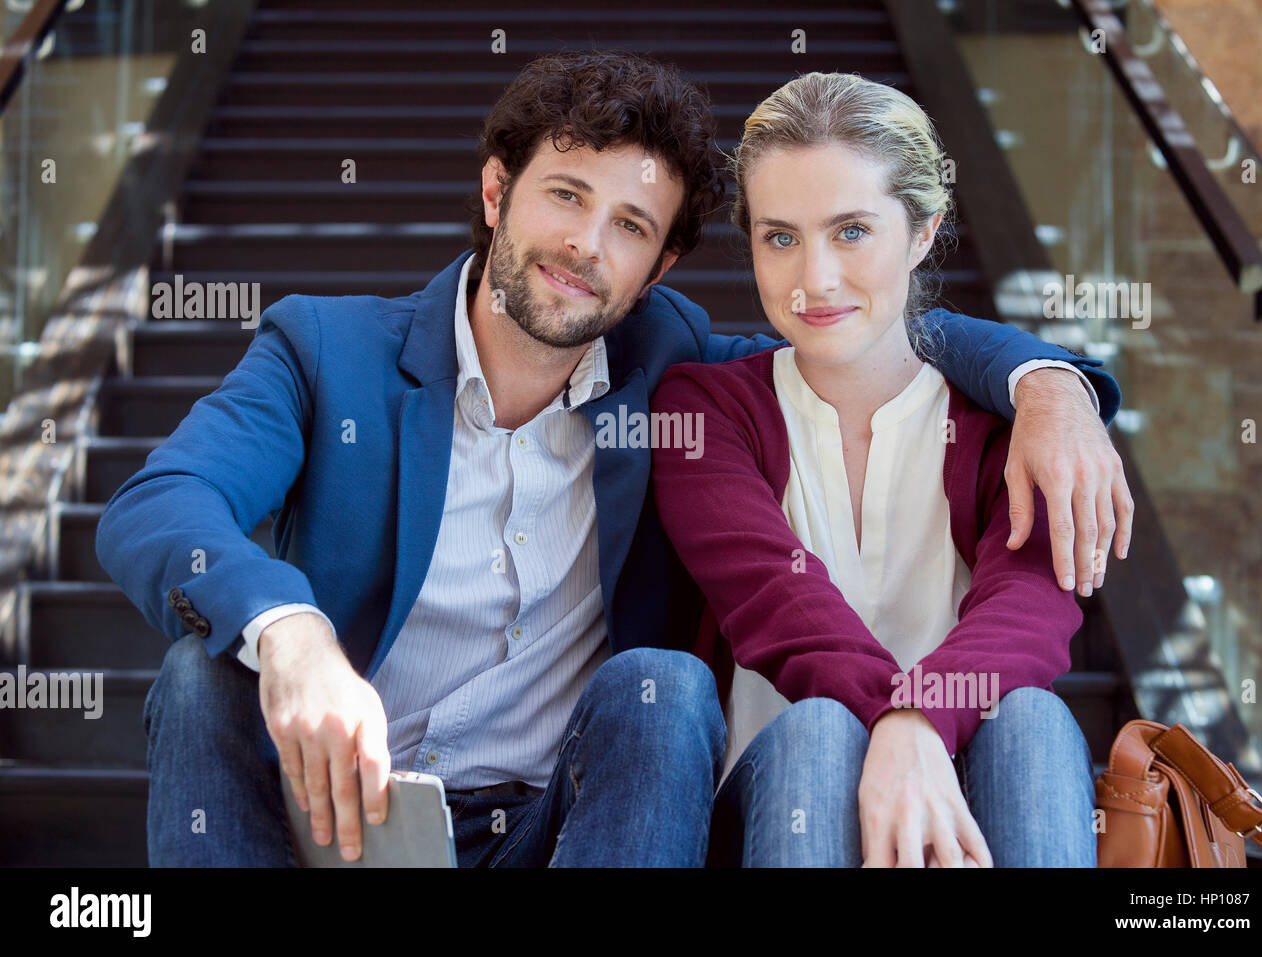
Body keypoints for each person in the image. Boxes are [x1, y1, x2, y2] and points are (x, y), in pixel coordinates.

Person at [97, 52, 1126, 867]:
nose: (586, 244)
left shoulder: (671, 372)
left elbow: (861, 331)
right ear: (497, 192)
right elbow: (163, 503)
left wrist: (1048, 382)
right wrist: (292, 635)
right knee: (205, 672)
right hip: (343, 807)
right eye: (564, 195)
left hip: (559, 823)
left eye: (629, 224)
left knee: (661, 686)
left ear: (662, 263)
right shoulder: (327, 351)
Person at [651, 73, 1119, 867]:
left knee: (1033, 720)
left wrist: (923, 725)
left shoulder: (1012, 424)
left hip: (965, 811)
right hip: (781, 811)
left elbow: (1033, 613)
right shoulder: (705, 411)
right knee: (821, 729)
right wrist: (902, 722)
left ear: (924, 231)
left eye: (853, 231)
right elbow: (777, 603)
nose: (816, 278)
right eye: (780, 236)